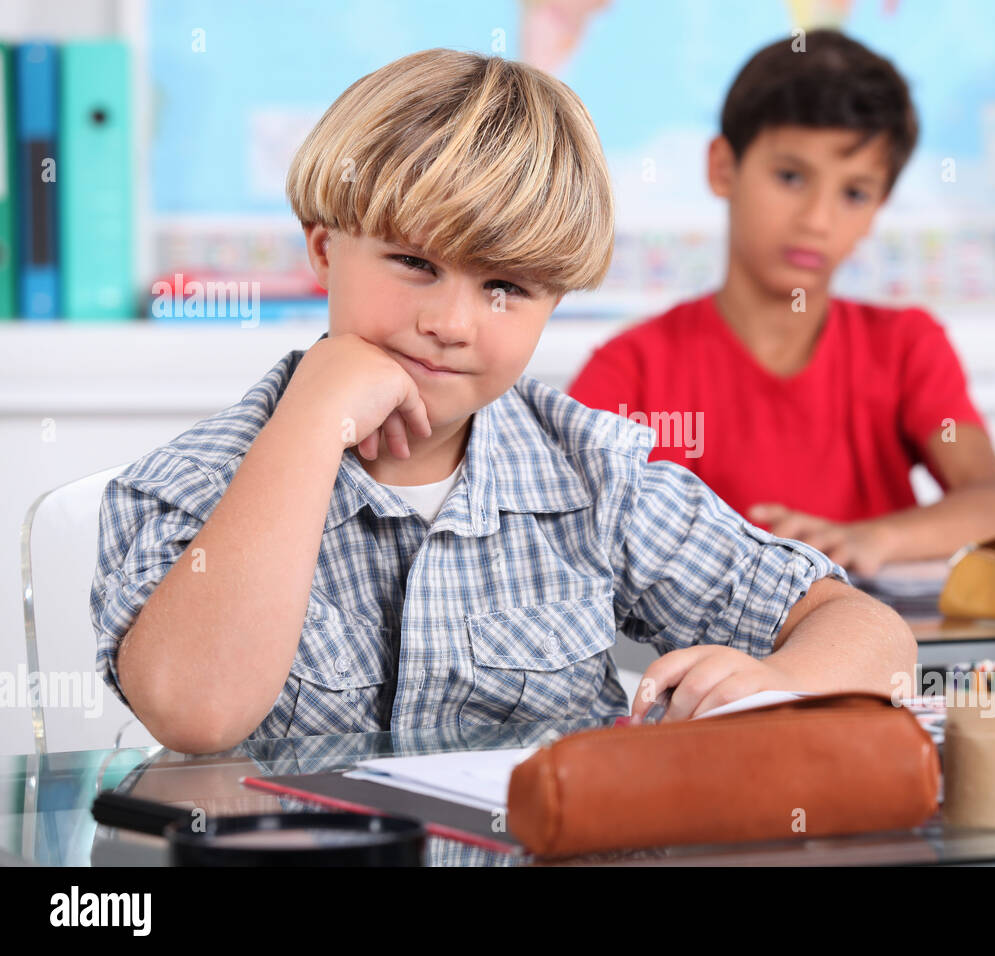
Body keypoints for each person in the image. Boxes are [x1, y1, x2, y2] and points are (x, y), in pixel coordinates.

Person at [91, 48, 915, 755]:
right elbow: (197, 711)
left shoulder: (594, 475)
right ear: (324, 248)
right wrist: (309, 425)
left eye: (505, 287)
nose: (449, 323)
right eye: (414, 263)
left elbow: (874, 638)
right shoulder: (187, 486)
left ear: (552, 303)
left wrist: (775, 684)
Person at [568, 30, 995, 578]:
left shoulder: (906, 347)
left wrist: (871, 539)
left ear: (879, 207)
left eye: (854, 193)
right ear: (723, 168)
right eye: (790, 177)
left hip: (886, 656)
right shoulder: (633, 368)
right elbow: (576, 538)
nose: (817, 220)